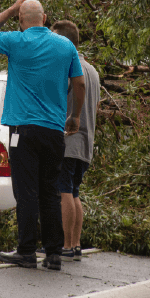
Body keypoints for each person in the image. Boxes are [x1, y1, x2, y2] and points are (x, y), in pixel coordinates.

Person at [0, 0, 85, 271]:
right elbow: (79, 82)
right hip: (53, 131)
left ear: (20, 19)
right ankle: (54, 254)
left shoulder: (15, 41)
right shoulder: (66, 46)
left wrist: (11, 9)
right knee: (50, 192)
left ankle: (26, 251)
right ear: (45, 18)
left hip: (22, 130)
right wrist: (75, 115)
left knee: (26, 191)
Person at [50, 20, 99, 261]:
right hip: (86, 144)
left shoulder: (69, 66)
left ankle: (66, 245)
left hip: (69, 141)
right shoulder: (92, 70)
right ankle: (76, 244)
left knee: (63, 192)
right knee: (74, 192)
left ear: (64, 41)